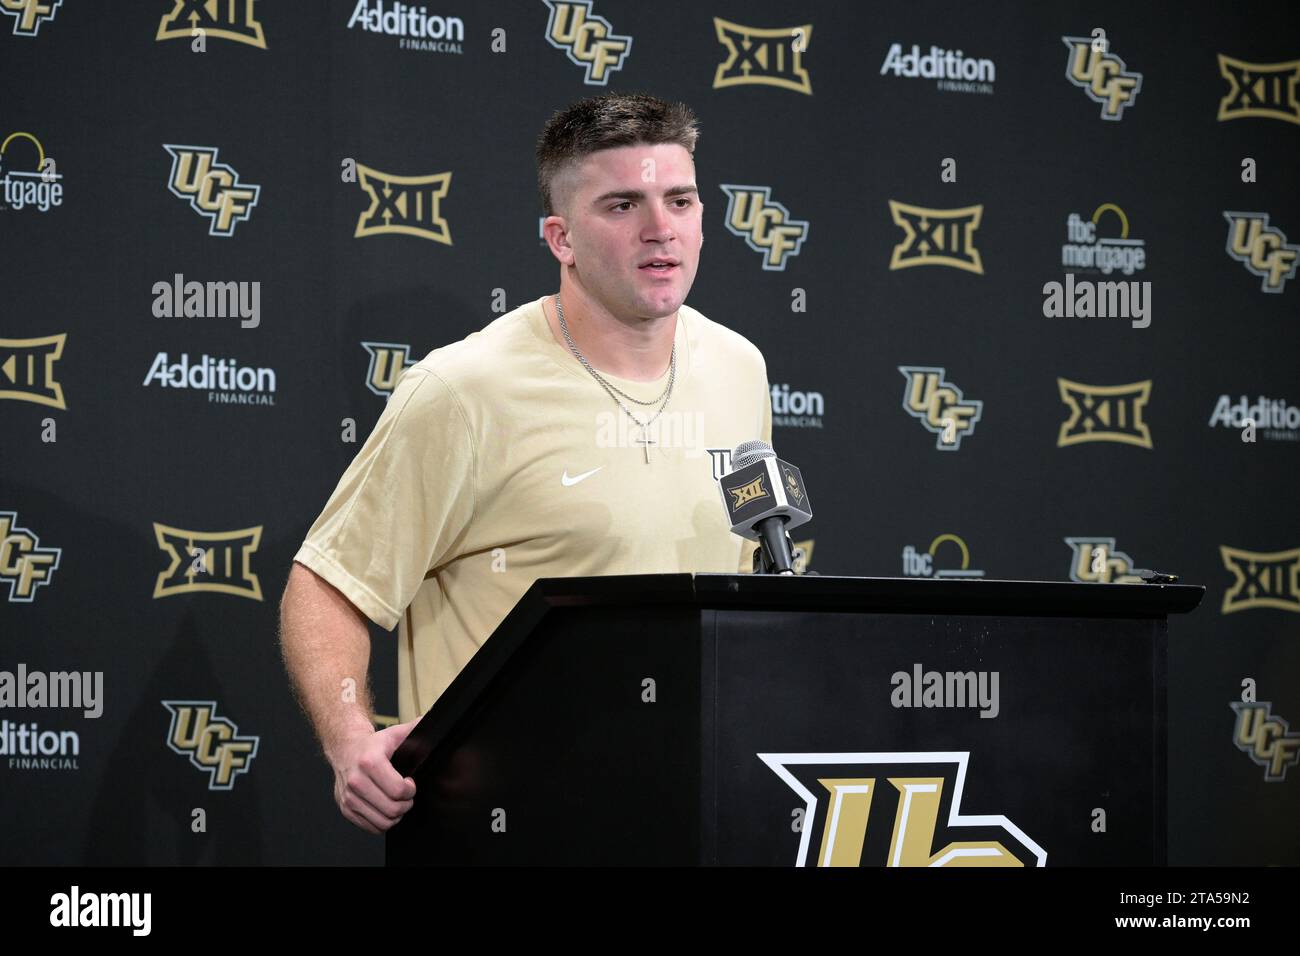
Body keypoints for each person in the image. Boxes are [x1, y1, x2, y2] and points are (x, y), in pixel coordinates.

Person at [278, 91, 772, 834]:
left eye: (680, 199)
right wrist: (350, 740)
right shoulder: (463, 390)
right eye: (621, 206)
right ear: (560, 237)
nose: (660, 229)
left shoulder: (740, 368)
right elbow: (327, 584)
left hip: (693, 813)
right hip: (507, 824)